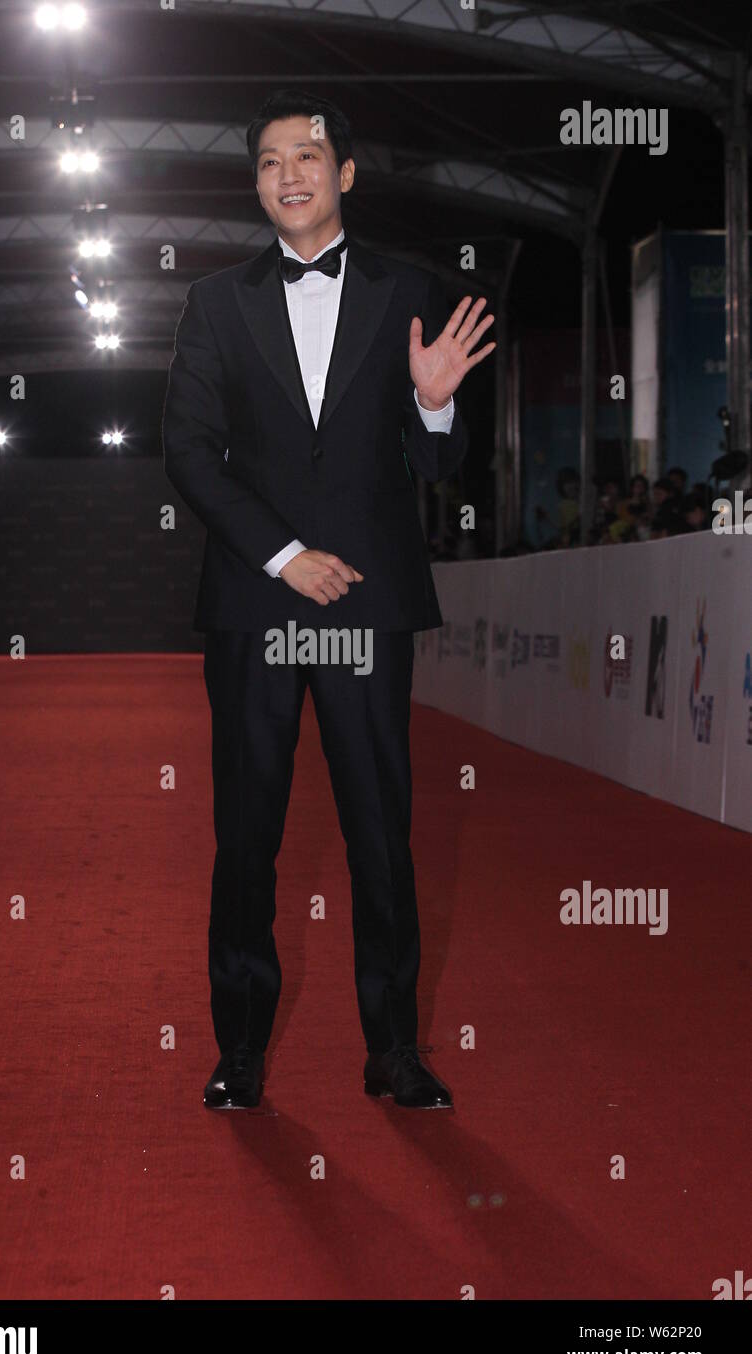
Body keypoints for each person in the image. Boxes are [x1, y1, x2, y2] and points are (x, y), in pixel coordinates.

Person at [162, 89, 495, 1110]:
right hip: (257, 605)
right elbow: (187, 450)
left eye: (307, 156)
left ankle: (393, 1048)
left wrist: (436, 407)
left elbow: (446, 464)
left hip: (368, 603)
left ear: (344, 173)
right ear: (255, 183)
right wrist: (281, 555)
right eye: (268, 161)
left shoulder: (410, 290)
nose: (288, 175)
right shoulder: (214, 303)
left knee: (379, 834)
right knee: (247, 835)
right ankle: (241, 1049)